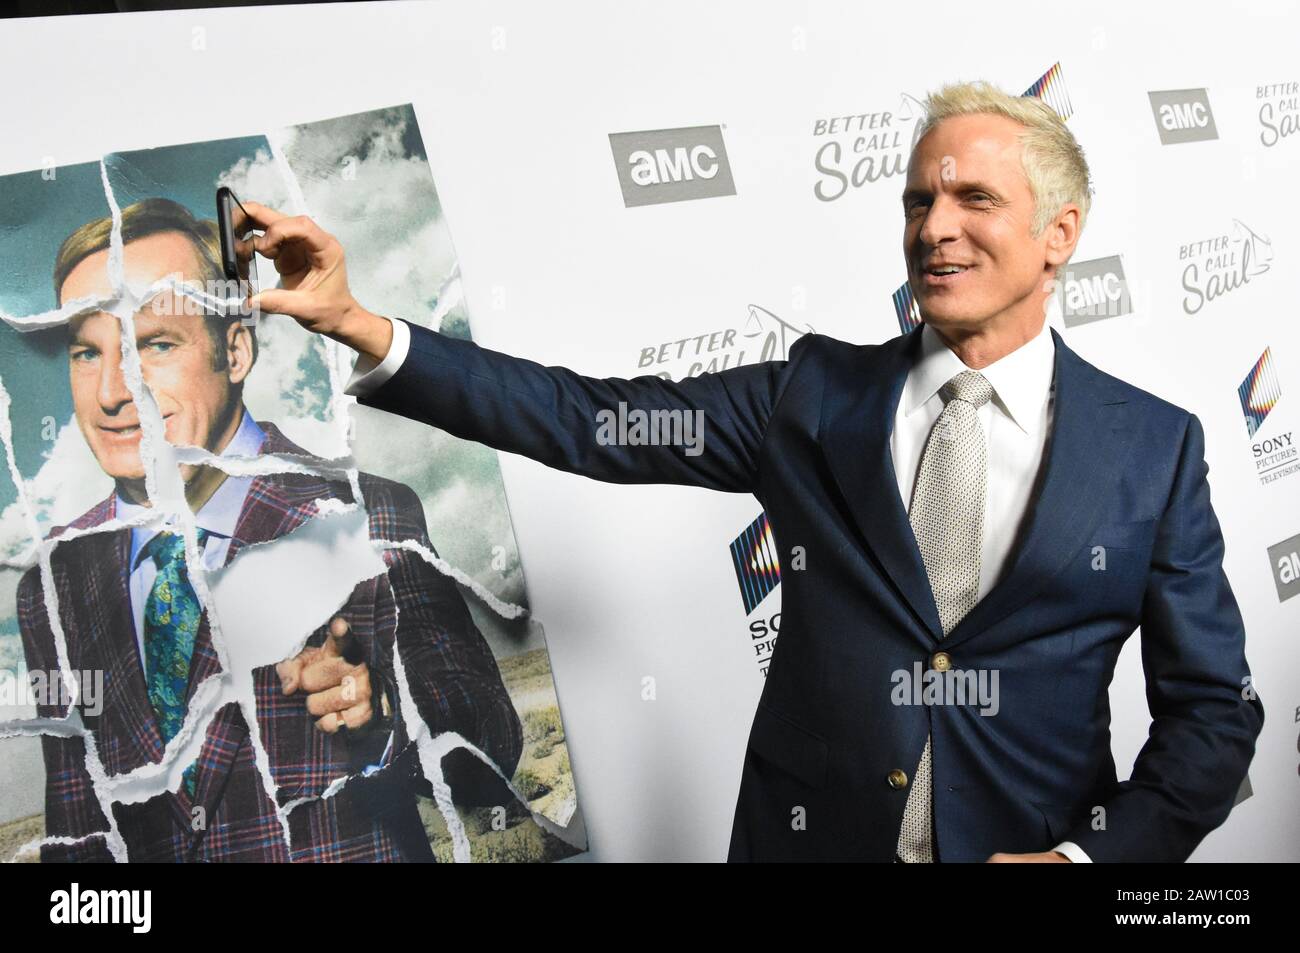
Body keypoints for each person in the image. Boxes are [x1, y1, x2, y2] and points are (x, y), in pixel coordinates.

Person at [244, 80, 1264, 863]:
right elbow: (586, 417)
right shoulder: (812, 396)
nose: (933, 225)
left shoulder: (1153, 449)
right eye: (918, 198)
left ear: (1059, 236)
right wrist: (359, 325)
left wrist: (1091, 857)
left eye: (973, 197)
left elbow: (1213, 713)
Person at [17, 198, 523, 861]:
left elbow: (489, 743)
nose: (115, 390)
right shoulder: (55, 583)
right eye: (88, 352)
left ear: (235, 350)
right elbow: (76, 830)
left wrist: (388, 701)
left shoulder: (368, 513)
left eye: (154, 344)